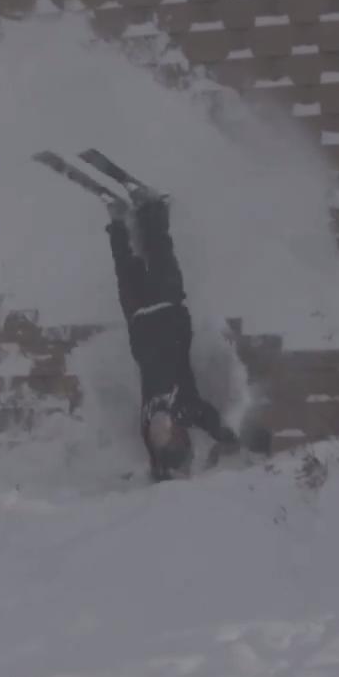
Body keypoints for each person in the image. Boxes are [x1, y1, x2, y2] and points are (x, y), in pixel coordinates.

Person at [104, 188, 241, 480]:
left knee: (126, 268)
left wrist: (162, 472)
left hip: (139, 321)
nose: (161, 432)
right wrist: (228, 439)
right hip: (168, 312)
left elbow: (155, 466)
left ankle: (117, 220)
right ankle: (151, 210)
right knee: (159, 252)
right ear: (181, 435)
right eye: (172, 437)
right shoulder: (186, 409)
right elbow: (212, 421)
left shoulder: (146, 423)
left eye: (159, 439)